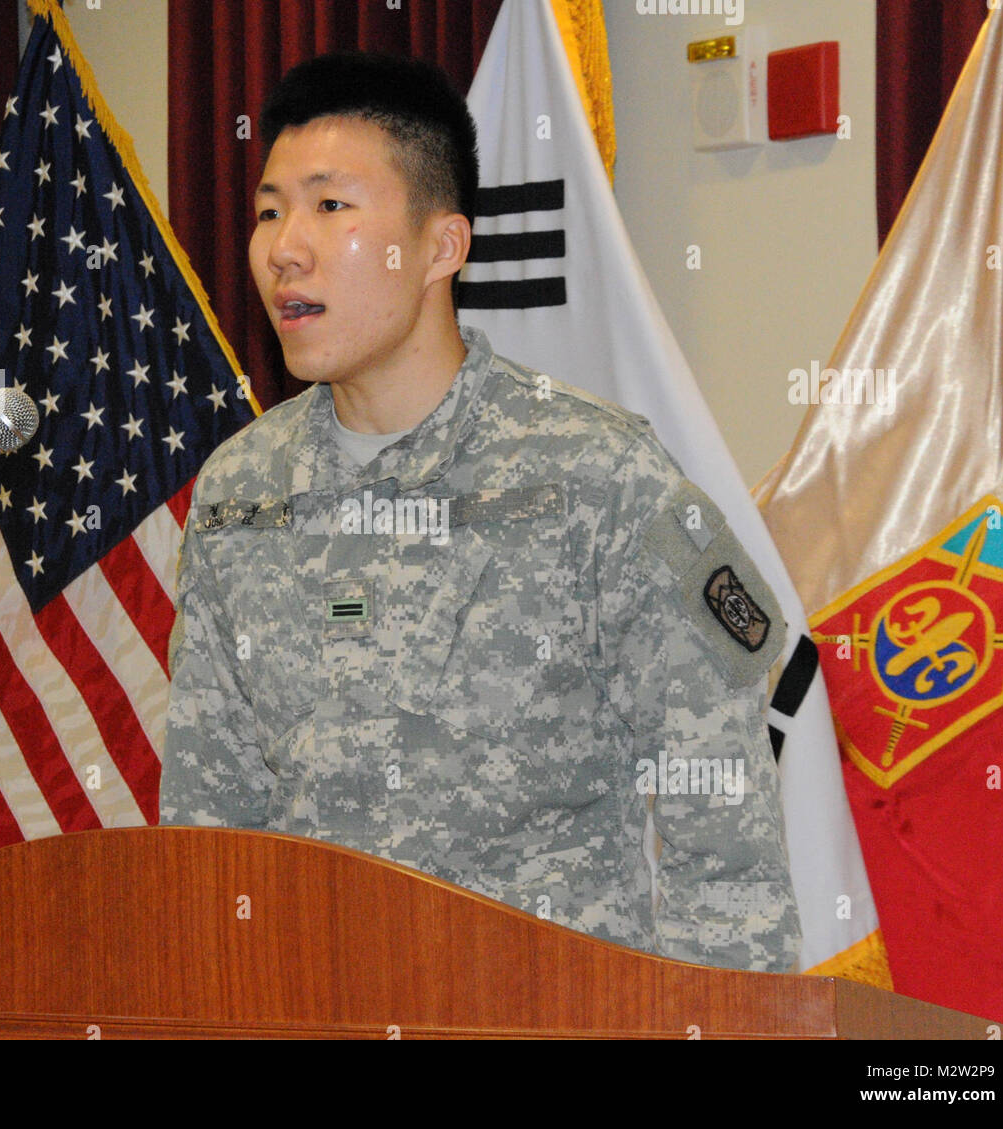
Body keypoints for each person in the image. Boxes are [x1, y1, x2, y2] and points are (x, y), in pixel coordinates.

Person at [158, 51, 802, 973]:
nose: (283, 246)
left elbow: (723, 841)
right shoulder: (238, 495)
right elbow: (209, 832)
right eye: (269, 211)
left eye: (330, 205)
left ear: (442, 247)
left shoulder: (597, 474)